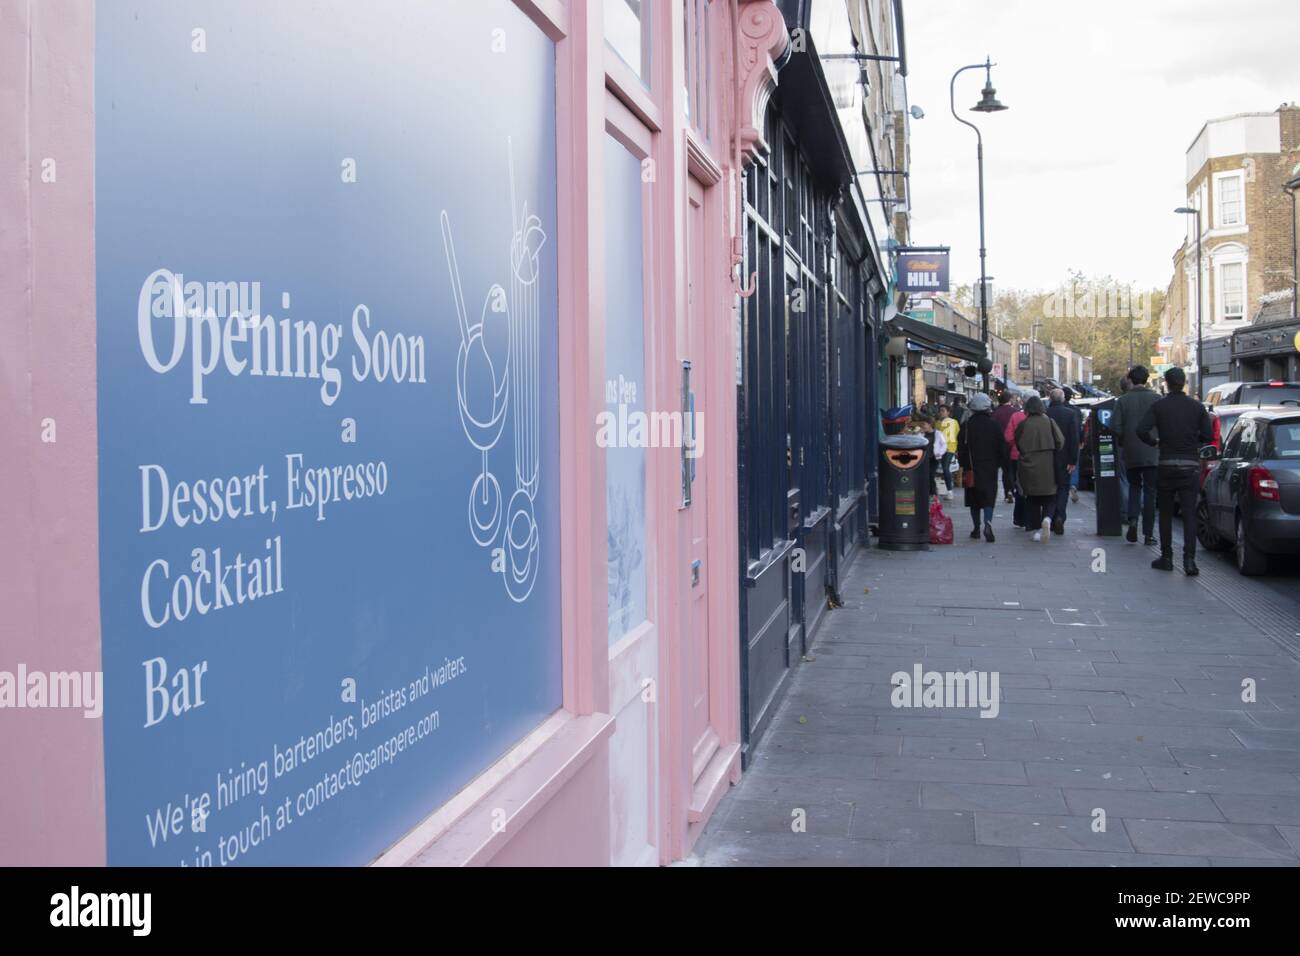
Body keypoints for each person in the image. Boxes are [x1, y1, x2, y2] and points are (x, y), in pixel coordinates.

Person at [1137, 366, 1214, 575]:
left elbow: (1141, 429)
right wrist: (1192, 442)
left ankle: (1166, 557)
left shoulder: (1159, 406)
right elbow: (1208, 435)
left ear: (1167, 383)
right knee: (1189, 515)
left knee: (1166, 513)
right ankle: (1189, 561)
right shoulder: (1197, 407)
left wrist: (1155, 442)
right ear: (1184, 383)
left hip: (1166, 464)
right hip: (1190, 465)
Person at [1111, 365, 1161, 546]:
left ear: (1130, 380)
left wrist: (1125, 440)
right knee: (1150, 492)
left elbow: (1114, 426)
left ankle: (1133, 521)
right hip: (1152, 451)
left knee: (1134, 487)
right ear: (1147, 379)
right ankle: (1148, 534)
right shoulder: (1157, 399)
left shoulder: (1123, 401)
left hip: (1131, 452)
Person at [1013, 395, 1064, 542]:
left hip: (1028, 464)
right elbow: (1060, 441)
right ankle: (1047, 518)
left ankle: (1035, 529)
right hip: (1048, 464)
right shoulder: (1049, 421)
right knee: (1050, 497)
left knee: (1032, 499)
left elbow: (1017, 441)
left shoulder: (1024, 424)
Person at [956, 392, 1005, 542]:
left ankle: (976, 528)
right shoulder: (994, 425)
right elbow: (1001, 447)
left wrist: (964, 465)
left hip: (971, 467)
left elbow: (961, 448)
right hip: (989, 467)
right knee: (989, 496)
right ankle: (988, 523)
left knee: (974, 498)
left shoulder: (966, 426)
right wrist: (1001, 464)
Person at [1046, 387, 1082, 535]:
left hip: (1047, 457)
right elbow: (1074, 438)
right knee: (1063, 487)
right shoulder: (1070, 414)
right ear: (1063, 399)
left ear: (1050, 399)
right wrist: (1073, 460)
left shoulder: (1045, 414)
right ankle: (1060, 516)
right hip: (1065, 457)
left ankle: (1051, 516)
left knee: (1050, 488)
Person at [1002, 398, 1028, 528]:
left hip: (1016, 455)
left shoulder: (1016, 416)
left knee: (1020, 487)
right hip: (1036, 457)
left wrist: (1015, 446)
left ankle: (1019, 518)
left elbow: (1008, 436)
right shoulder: (1044, 418)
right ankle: (1031, 517)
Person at [991, 391, 1017, 504]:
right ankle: (1012, 490)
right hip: (1012, 445)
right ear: (1009, 400)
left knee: (1001, 470)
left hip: (997, 446)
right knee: (1011, 469)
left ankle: (1005, 492)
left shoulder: (995, 413)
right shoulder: (1015, 412)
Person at [936, 405, 960, 500]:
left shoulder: (954, 422)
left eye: (943, 410)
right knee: (940, 469)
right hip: (940, 448)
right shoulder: (937, 423)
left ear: (948, 412)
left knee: (945, 468)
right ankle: (942, 489)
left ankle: (949, 491)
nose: (941, 412)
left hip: (950, 448)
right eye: (940, 411)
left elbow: (956, 434)